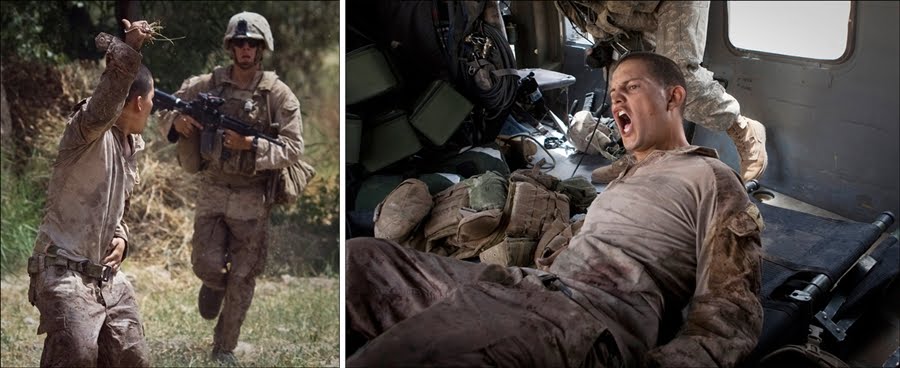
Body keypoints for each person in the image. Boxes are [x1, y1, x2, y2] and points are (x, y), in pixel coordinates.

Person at [346, 52, 764, 367]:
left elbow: (729, 311)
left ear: (674, 97)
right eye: (613, 92)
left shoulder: (710, 176)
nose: (616, 99)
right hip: (525, 284)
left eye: (630, 88)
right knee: (357, 260)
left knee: (393, 356)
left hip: (583, 316)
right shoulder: (626, 174)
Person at [159, 11, 304, 363]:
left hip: (253, 196)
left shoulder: (279, 95)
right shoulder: (206, 84)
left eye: (252, 44)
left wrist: (250, 145)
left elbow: (294, 148)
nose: (245, 50)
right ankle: (212, 286)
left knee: (243, 276)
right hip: (213, 187)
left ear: (262, 49)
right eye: (239, 43)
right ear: (229, 47)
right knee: (204, 264)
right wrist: (180, 122)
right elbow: (164, 110)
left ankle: (223, 349)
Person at [26, 19, 154, 367]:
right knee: (78, 354)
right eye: (153, 100)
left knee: (132, 358)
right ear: (140, 103)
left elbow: (114, 211)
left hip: (106, 277)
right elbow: (105, 102)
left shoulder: (132, 148)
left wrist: (122, 238)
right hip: (62, 270)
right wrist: (130, 52)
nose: (153, 109)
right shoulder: (86, 130)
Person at [573, 1, 768, 184]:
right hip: (622, 13)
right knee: (625, 82)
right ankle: (637, 157)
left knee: (679, 77)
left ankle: (742, 128)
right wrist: (602, 41)